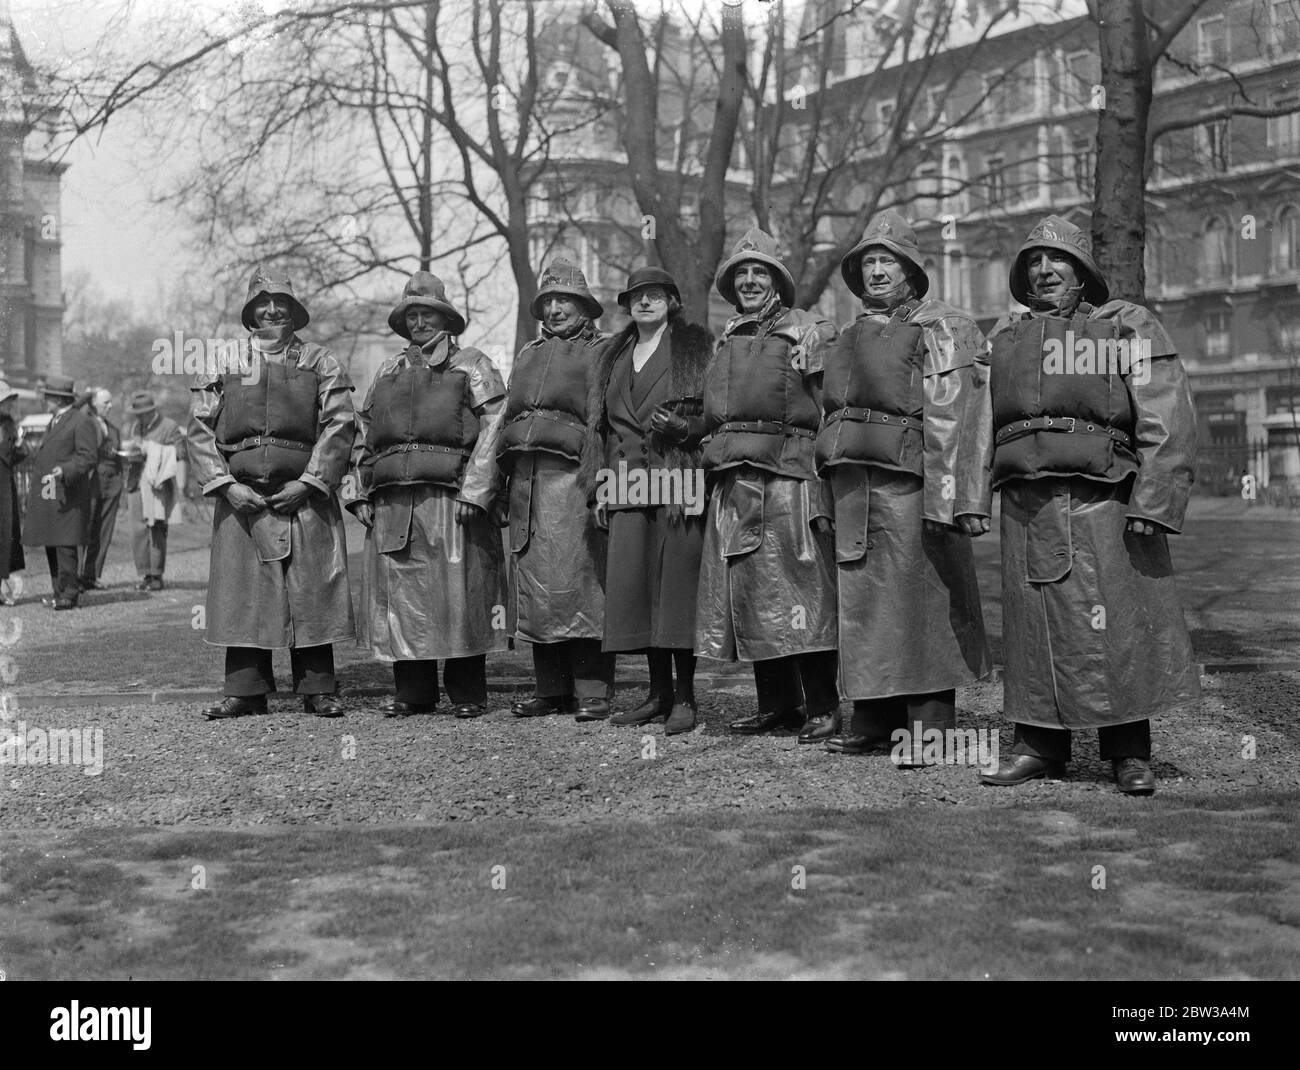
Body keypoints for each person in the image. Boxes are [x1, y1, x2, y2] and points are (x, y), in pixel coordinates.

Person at [978, 215, 1200, 796]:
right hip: (1025, 502)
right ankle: (1037, 747)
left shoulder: (1124, 325)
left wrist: (1155, 500)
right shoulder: (1005, 335)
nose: (1045, 270)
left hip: (1100, 499)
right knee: (1031, 628)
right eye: (1034, 261)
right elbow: (978, 423)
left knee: (1114, 624)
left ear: (1083, 273)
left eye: (1058, 261)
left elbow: (1166, 410)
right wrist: (966, 498)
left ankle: (1128, 751)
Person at [817, 210, 993, 764]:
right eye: (867, 262)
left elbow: (954, 415)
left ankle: (931, 731)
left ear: (911, 270)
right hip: (854, 486)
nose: (875, 271)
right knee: (866, 605)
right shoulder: (847, 334)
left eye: (886, 261)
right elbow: (830, 416)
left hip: (914, 487)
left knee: (922, 605)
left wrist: (948, 501)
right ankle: (873, 718)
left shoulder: (944, 327)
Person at [189, 268, 357, 719]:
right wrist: (226, 485)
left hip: (304, 495)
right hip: (241, 499)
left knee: (311, 590)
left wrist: (310, 482)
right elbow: (199, 430)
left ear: (294, 310)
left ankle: (318, 688)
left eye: (280, 302)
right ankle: (245, 690)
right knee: (244, 593)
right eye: (262, 303)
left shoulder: (321, 361)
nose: (271, 310)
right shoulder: (223, 361)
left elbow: (340, 424)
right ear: (249, 312)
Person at [697, 228, 840, 739]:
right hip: (735, 476)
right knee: (753, 590)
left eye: (760, 272)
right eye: (743, 274)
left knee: (804, 589)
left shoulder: (809, 329)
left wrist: (825, 481)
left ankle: (824, 703)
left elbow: (829, 405)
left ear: (778, 279)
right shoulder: (727, 335)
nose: (751, 280)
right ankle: (778, 704)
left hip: (791, 474)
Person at [350, 271, 508, 718]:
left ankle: (468, 693)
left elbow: (496, 426)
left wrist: (477, 490)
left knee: (458, 593)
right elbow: (363, 433)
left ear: (445, 318)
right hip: (394, 500)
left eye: (428, 313)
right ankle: (414, 691)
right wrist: (360, 490)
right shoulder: (387, 371)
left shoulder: (473, 365)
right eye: (412, 315)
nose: (419, 322)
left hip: (451, 499)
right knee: (402, 596)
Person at [582, 266, 712, 735]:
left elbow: (716, 416)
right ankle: (656, 695)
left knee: (676, 591)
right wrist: (599, 486)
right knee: (637, 592)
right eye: (637, 296)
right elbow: (599, 428)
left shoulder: (695, 349)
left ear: (672, 301)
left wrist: (688, 430)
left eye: (656, 294)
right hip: (626, 485)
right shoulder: (612, 357)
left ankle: (685, 697)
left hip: (678, 480)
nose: (645, 302)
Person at [500, 257, 614, 721]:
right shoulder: (528, 354)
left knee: (581, 583)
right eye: (548, 301)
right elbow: (507, 417)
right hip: (527, 480)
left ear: (585, 306)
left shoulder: (604, 350)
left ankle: (593, 691)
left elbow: (606, 420)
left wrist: (601, 480)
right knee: (537, 586)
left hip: (574, 479)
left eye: (564, 299)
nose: (555, 309)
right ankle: (551, 689)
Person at [22, 375, 97, 610]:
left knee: (65, 544)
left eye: (47, 397)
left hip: (69, 493)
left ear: (57, 398)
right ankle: (58, 592)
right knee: (50, 540)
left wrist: (64, 470)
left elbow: (88, 457)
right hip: (51, 492)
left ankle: (69, 593)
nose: (45, 401)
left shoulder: (80, 421)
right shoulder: (55, 420)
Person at [124, 390, 187, 592]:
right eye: (137, 414)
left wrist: (151, 449)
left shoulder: (169, 426)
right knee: (138, 530)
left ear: (152, 411)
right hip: (137, 483)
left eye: (143, 413)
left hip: (157, 487)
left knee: (156, 529)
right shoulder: (137, 426)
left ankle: (157, 575)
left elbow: (180, 452)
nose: (139, 417)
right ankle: (145, 573)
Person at [78, 388, 123, 591]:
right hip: (90, 481)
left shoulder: (113, 429)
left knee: (103, 530)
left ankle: (91, 575)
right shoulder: (84, 422)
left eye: (110, 402)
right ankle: (76, 575)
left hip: (112, 482)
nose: (110, 406)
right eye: (105, 403)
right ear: (94, 403)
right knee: (83, 528)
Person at [0, 381, 28, 604]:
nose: (10, 404)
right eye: (7, 400)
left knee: (5, 534)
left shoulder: (8, 424)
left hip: (4, 486)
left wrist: (19, 442)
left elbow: (17, 456)